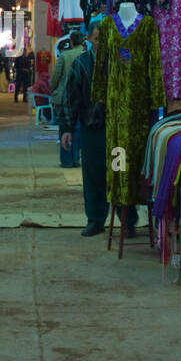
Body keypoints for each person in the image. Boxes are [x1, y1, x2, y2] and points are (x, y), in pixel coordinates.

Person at [60, 19, 108, 236]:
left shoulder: (119, 63)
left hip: (116, 133)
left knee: (120, 171)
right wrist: (67, 129)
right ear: (89, 39)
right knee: (92, 175)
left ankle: (128, 219)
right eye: (97, 38)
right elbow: (71, 98)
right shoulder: (80, 64)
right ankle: (95, 220)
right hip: (91, 131)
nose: (101, 43)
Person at [51, 29, 85, 167]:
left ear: (71, 42)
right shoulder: (85, 55)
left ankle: (67, 159)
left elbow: (55, 77)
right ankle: (76, 157)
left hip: (64, 97)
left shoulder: (64, 55)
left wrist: (53, 90)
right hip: (82, 97)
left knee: (65, 128)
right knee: (78, 128)